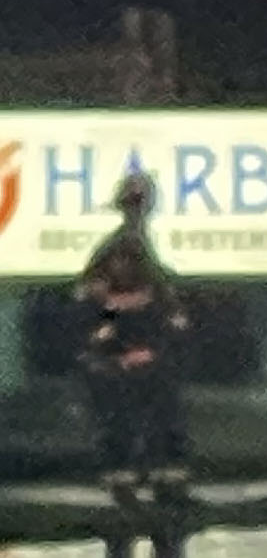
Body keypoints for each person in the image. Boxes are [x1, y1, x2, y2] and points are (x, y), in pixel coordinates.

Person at [75, 171, 190, 494]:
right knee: (124, 410)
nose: (138, 211)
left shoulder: (141, 248)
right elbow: (94, 295)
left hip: (146, 342)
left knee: (158, 407)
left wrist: (169, 314)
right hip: (122, 345)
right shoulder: (115, 248)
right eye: (133, 203)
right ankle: (125, 469)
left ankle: (160, 468)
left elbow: (161, 297)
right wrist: (113, 323)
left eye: (140, 203)